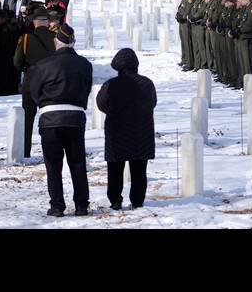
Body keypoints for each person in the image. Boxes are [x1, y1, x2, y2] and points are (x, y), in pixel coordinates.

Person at [27, 22, 93, 217]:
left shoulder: (43, 65)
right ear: (72, 42)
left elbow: (34, 91)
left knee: (53, 165)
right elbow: (86, 88)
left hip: (50, 118)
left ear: (56, 42)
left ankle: (57, 205)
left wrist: (45, 104)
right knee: (78, 163)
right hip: (75, 116)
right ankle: (81, 205)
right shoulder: (84, 65)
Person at [96, 47, 156, 211]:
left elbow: (101, 104)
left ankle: (115, 199)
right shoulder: (147, 83)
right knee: (139, 169)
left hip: (117, 130)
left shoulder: (111, 84)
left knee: (115, 168)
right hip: (141, 131)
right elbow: (152, 103)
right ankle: (137, 200)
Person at [12, 5, 55, 157]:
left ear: (34, 22)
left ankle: (25, 152)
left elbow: (17, 62)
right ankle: (51, 151)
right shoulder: (56, 38)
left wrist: (27, 68)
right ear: (47, 22)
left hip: (30, 82)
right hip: (50, 82)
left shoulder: (25, 38)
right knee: (50, 119)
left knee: (27, 119)